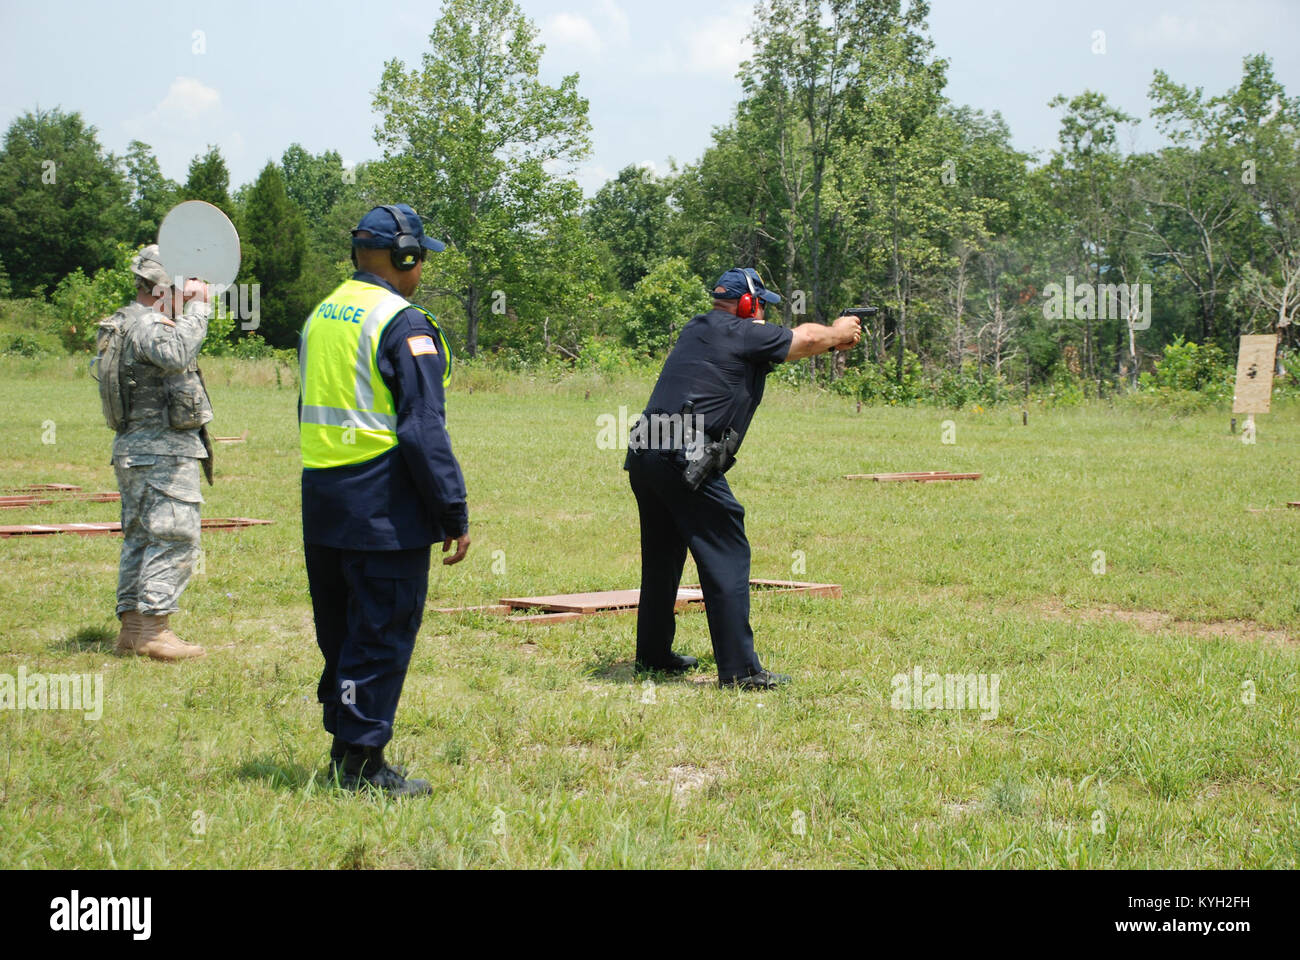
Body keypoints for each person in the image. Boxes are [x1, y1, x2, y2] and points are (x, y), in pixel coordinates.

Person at [298, 204, 470, 798]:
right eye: (420, 259)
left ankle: (344, 745)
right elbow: (423, 428)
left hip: (323, 499)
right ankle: (364, 766)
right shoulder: (402, 322)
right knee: (382, 631)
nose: (421, 270)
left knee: (341, 633)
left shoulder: (322, 314)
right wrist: (452, 509)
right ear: (404, 257)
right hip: (382, 506)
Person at [624, 267, 861, 689]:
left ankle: (654, 655)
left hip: (645, 450)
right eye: (761, 306)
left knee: (662, 556)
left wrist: (831, 340)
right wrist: (838, 330)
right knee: (727, 552)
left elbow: (788, 350)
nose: (765, 316)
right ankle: (740, 671)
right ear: (747, 304)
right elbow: (803, 338)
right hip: (684, 453)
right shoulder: (742, 331)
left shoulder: (698, 329)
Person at [106, 245, 213, 662]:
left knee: (143, 537)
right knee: (174, 536)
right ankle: (154, 630)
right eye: (184, 287)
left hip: (136, 451)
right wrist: (199, 309)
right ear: (163, 287)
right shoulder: (149, 324)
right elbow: (176, 354)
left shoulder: (124, 321)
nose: (189, 294)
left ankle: (134, 630)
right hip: (160, 452)